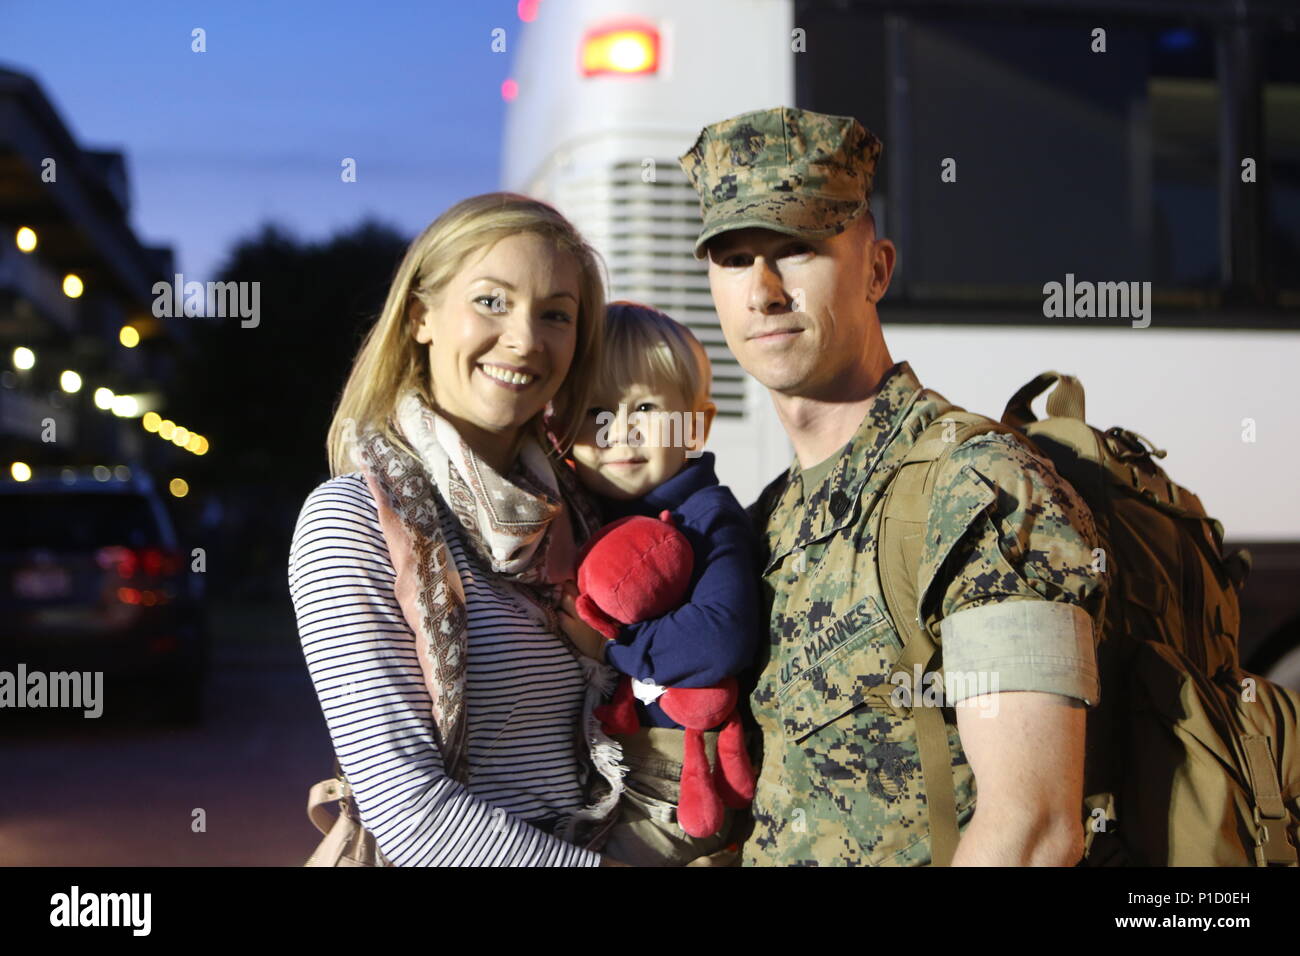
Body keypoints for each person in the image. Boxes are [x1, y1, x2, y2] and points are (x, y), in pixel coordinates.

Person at [678, 106, 1109, 866]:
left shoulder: (978, 487)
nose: (765, 291)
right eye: (735, 259)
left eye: (798, 249)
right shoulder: (767, 519)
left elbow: (1034, 834)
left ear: (876, 268)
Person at [287, 192, 632, 866]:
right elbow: (410, 813)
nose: (525, 339)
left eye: (555, 315)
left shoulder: (584, 520)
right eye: (492, 301)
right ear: (421, 317)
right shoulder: (351, 519)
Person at [556, 301, 761, 866]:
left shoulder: (706, 516)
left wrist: (611, 647)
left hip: (672, 777)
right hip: (599, 763)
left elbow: (723, 637)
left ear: (695, 424)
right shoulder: (576, 515)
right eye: (595, 411)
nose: (618, 431)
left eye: (644, 407)